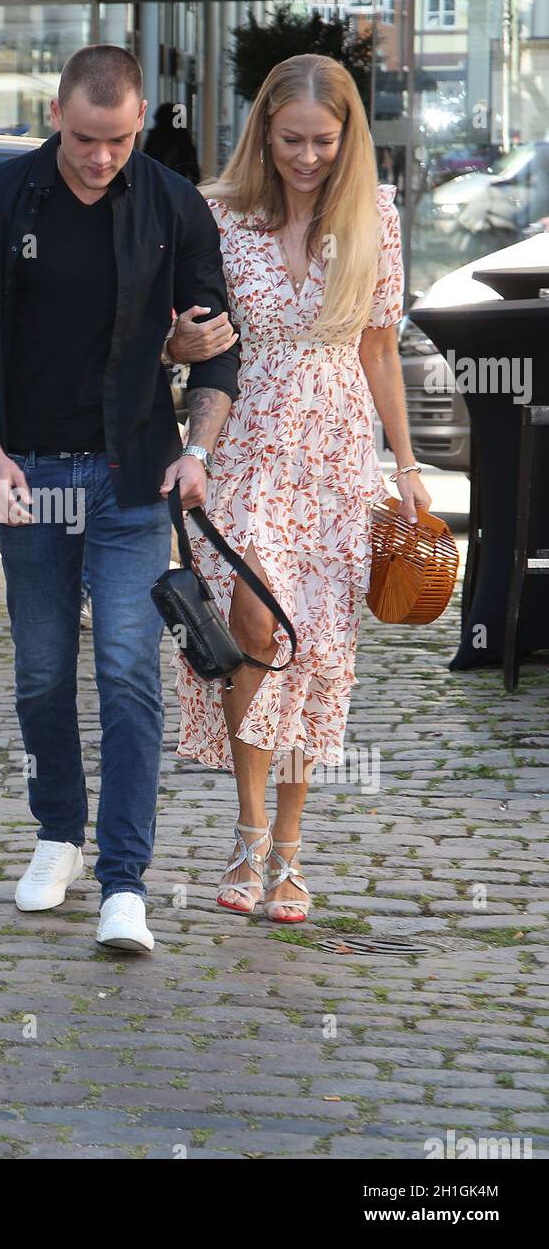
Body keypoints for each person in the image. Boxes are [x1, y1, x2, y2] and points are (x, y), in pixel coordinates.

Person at [0, 44, 240, 952]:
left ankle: (125, 881)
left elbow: (218, 344)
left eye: (117, 140)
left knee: (125, 671)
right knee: (40, 673)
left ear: (139, 122)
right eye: (83, 137)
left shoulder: (172, 202)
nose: (99, 156)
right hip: (29, 473)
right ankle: (57, 833)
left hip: (130, 478)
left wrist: (199, 449)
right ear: (53, 111)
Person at [169, 53, 431, 923]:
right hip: (243, 439)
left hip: (331, 452)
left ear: (348, 135)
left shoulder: (376, 217)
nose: (308, 156)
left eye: (324, 139)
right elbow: (192, 336)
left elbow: (381, 348)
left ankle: (288, 850)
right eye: (292, 139)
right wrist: (179, 350)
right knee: (252, 625)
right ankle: (247, 834)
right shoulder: (218, 213)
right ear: (263, 132)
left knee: (311, 646)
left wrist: (409, 470)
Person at [142, 101, 201, 183]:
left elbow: (145, 163)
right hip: (177, 184)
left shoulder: (154, 138)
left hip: (157, 184)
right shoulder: (183, 138)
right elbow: (193, 168)